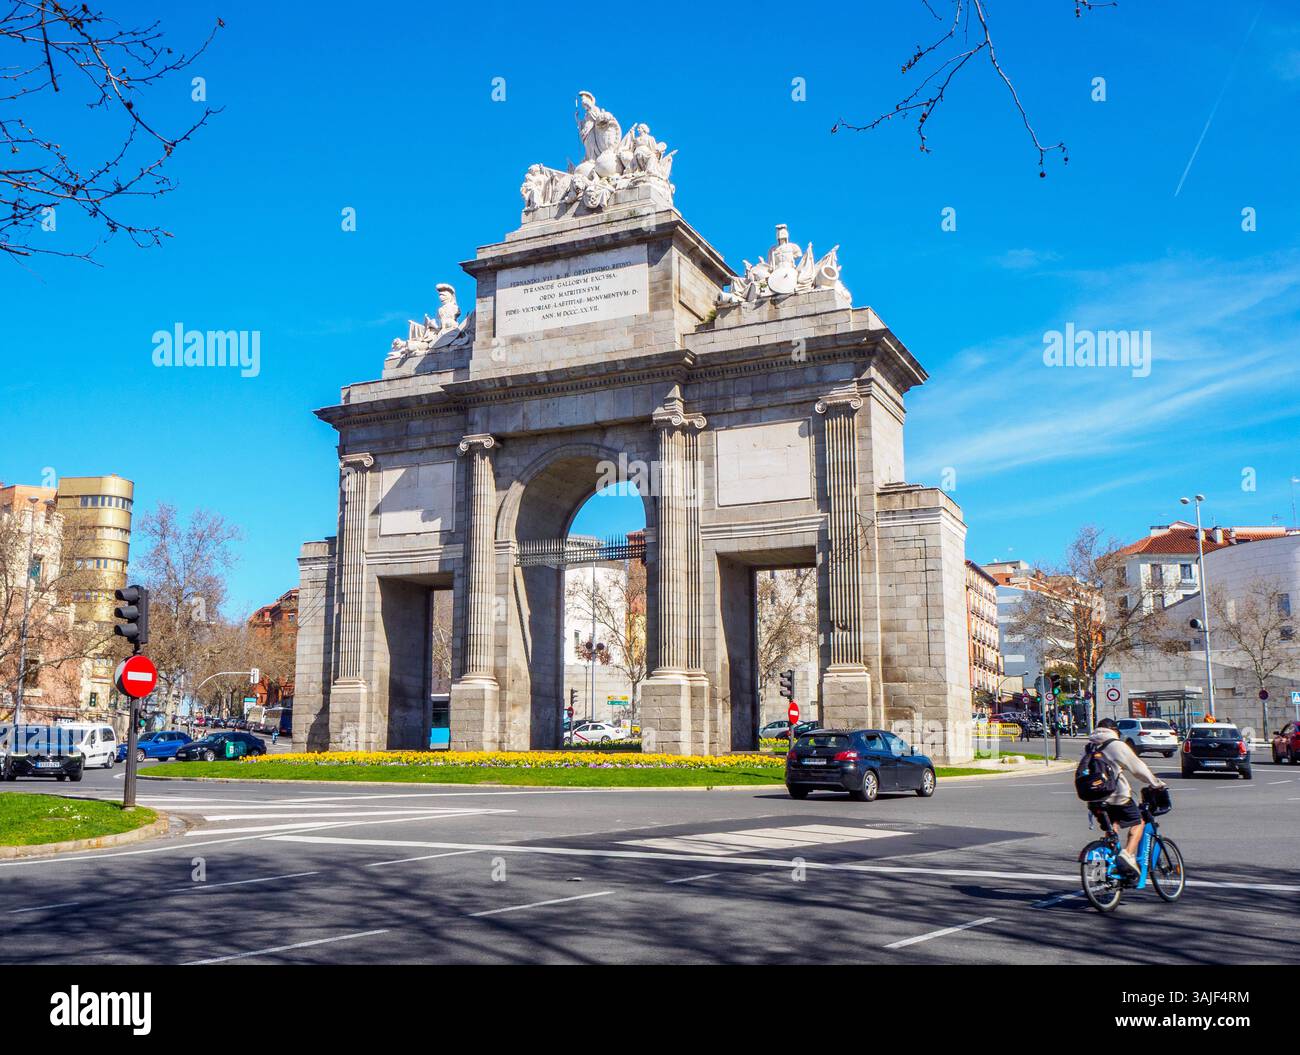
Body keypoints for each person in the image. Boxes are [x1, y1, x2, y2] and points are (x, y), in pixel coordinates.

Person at [1087, 718, 1167, 875]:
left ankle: (1100, 878)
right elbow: (1138, 769)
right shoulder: (1116, 745)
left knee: (1112, 828)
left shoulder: (1089, 746)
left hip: (1094, 799)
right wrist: (1156, 783)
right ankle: (1127, 854)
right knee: (1138, 821)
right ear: (1114, 731)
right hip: (1117, 796)